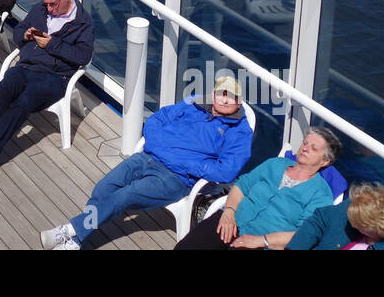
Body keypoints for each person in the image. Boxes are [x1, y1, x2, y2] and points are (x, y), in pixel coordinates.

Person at [41, 74, 253, 250]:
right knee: (104, 187)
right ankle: (78, 239)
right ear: (213, 94)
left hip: (175, 177)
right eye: (221, 94)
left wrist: (187, 163)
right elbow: (157, 119)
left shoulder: (240, 132)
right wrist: (157, 142)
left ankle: (72, 232)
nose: (225, 100)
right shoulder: (193, 103)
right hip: (147, 157)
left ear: (239, 102)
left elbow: (226, 172)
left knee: (126, 194)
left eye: (231, 97)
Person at [0, 0, 94, 180]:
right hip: (25, 67)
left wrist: (51, 44)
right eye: (47, 4)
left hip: (54, 77)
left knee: (24, 102)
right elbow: (18, 31)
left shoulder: (83, 23)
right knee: (1, 92)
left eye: (53, 4)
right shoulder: (39, 9)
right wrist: (25, 35)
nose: (49, 9)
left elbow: (83, 56)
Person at [173, 126, 343, 250]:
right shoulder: (275, 164)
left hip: (263, 243)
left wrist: (262, 240)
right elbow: (242, 185)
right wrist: (229, 212)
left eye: (313, 148)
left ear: (324, 161)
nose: (305, 148)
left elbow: (303, 233)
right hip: (231, 221)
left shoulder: (321, 194)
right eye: (305, 143)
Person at [286, 183, 384, 250]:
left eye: (360, 225)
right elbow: (319, 221)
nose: (353, 225)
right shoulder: (357, 206)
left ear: (376, 227)